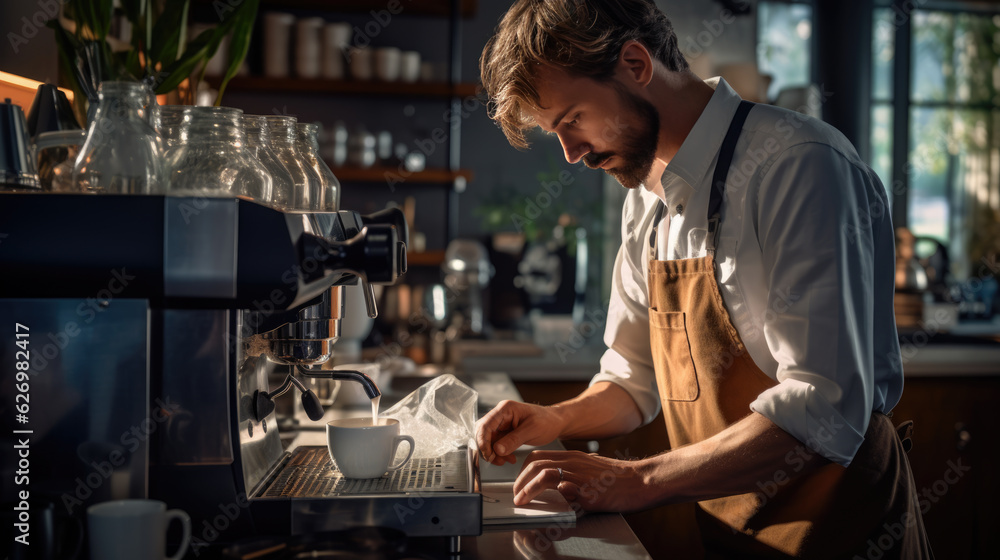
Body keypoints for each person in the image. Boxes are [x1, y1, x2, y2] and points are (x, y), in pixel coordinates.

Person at [475, 1, 933, 557]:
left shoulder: (797, 166)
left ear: (637, 64)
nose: (572, 153)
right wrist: (555, 418)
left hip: (842, 532)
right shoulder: (645, 200)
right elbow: (633, 381)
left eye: (572, 119)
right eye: (557, 133)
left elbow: (825, 409)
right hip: (731, 532)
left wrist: (636, 480)